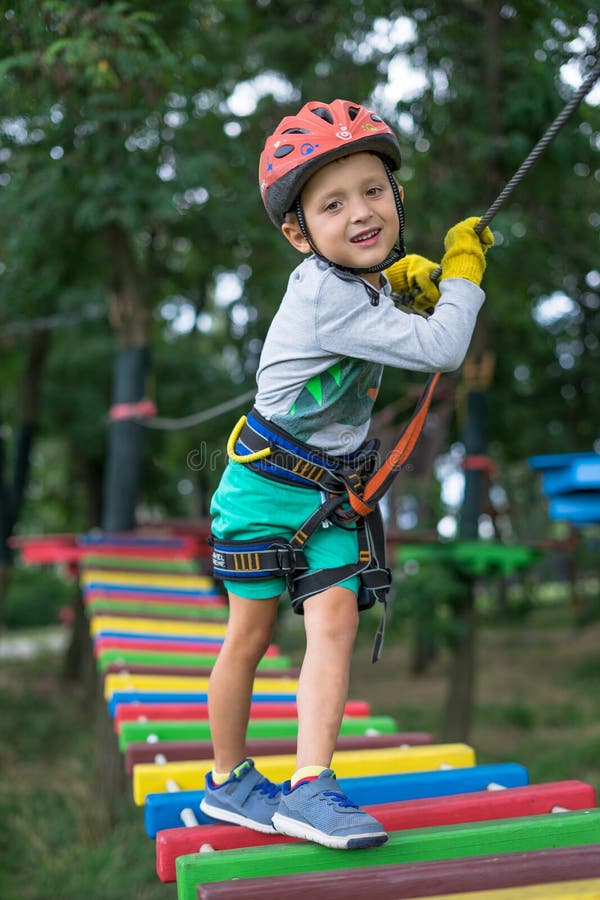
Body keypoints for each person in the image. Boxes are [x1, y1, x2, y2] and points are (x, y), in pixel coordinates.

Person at [200, 99, 493, 850]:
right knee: (252, 633)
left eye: (373, 191)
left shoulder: (361, 284)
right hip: (264, 489)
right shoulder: (326, 295)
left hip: (330, 494)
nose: (361, 212)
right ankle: (230, 779)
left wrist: (409, 277)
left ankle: (310, 784)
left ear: (397, 198)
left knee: (333, 620)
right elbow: (444, 347)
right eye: (333, 204)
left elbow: (391, 297)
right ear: (300, 232)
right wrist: (460, 273)